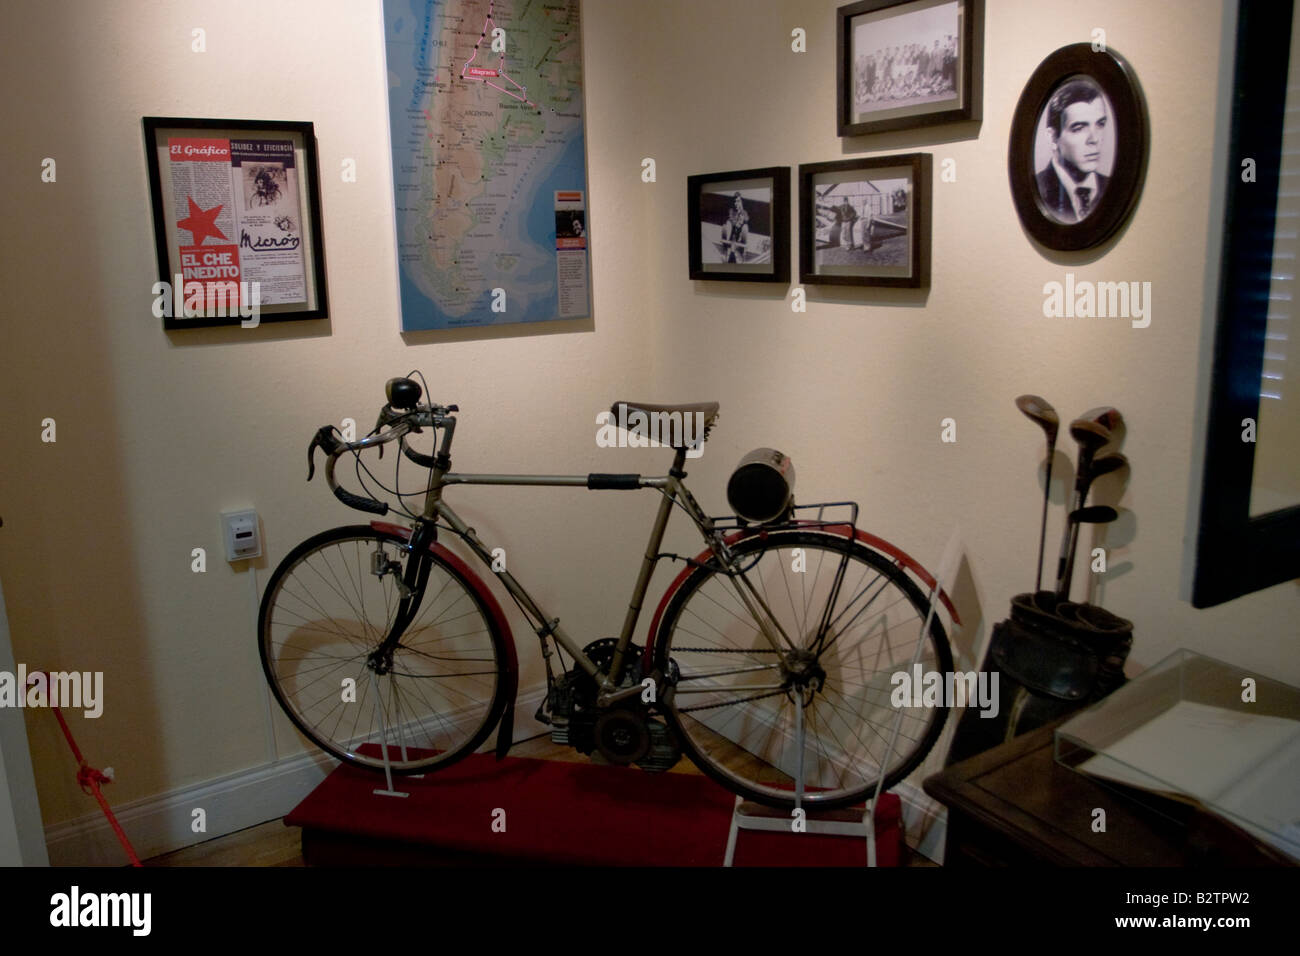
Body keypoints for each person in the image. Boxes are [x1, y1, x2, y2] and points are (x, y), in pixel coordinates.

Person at [1035, 77, 1109, 223]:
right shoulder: (1038, 189)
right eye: (1079, 128)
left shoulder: (1114, 188)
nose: (1094, 139)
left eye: (1100, 124)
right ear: (1052, 137)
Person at [721, 192, 749, 262]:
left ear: (741, 202)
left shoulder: (744, 212)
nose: (736, 203)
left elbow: (746, 219)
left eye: (738, 201)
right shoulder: (731, 210)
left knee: (745, 227)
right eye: (735, 201)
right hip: (732, 233)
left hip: (739, 234)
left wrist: (741, 211)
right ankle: (727, 250)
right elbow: (730, 219)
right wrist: (736, 222)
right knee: (727, 224)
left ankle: (737, 252)